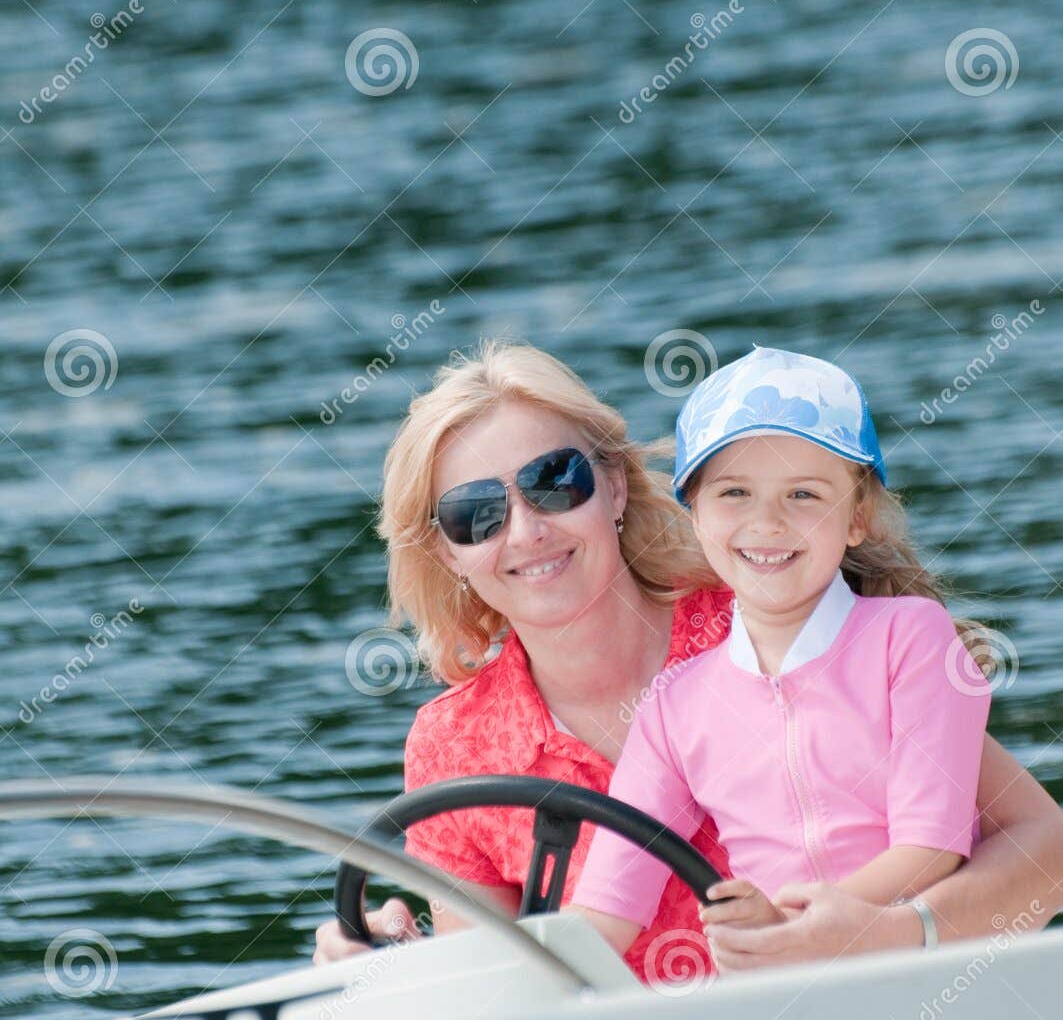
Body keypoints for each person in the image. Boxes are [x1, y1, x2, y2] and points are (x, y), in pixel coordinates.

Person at [313, 339, 1062, 976]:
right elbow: (502, 993)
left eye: (553, 482)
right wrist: (398, 962)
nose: (527, 530)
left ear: (611, 487)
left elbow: (1045, 854)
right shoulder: (455, 749)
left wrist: (882, 932)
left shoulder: (769, 611)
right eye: (474, 514)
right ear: (445, 551)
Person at [571, 346, 991, 961]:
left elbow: (933, 845)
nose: (766, 523)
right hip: (781, 1003)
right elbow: (606, 908)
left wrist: (795, 925)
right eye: (735, 492)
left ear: (857, 517)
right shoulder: (673, 706)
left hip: (925, 979)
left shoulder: (911, 637)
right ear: (696, 515)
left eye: (802, 495)